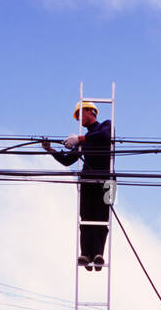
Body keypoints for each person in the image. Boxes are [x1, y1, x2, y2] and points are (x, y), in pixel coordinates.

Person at [41, 101, 112, 271]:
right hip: (87, 181)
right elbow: (67, 161)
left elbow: (105, 136)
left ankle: (98, 254)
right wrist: (50, 149)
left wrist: (79, 139)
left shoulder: (106, 125)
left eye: (81, 114)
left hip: (108, 181)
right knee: (86, 218)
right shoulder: (84, 140)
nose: (79, 119)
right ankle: (86, 254)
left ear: (90, 111)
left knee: (102, 219)